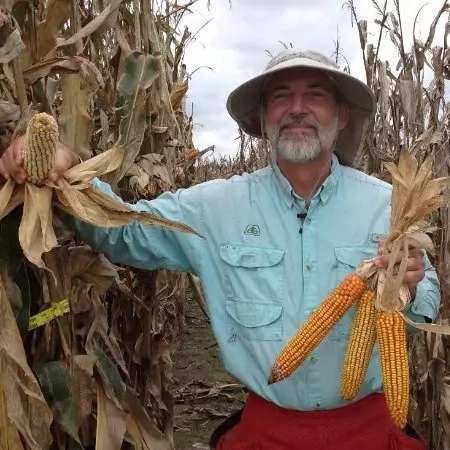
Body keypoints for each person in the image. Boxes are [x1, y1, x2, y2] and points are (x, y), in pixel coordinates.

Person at [0, 49, 439, 450]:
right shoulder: (214, 207)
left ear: (342, 114)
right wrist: (65, 170)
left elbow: (430, 302)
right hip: (266, 431)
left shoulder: (389, 205)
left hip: (369, 431)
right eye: (281, 97)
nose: (298, 108)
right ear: (263, 118)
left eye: (316, 95)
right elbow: (124, 230)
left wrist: (413, 288)